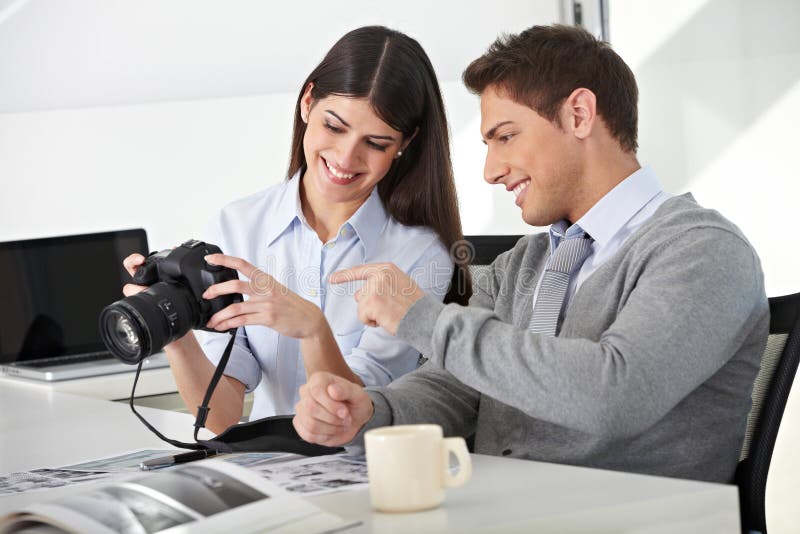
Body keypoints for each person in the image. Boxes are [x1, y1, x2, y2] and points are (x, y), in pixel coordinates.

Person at [291, 24, 769, 483]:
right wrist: (371, 412)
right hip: (500, 512)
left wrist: (422, 318)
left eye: (505, 136)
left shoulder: (703, 250)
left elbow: (617, 394)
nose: (491, 170)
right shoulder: (520, 264)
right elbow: (456, 387)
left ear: (579, 115)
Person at [123, 26, 469, 434]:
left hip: (368, 463)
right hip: (266, 464)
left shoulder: (419, 255)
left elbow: (348, 417)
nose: (346, 158)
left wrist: (313, 330)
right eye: (334, 127)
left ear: (403, 145)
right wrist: (173, 326)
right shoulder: (237, 226)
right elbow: (220, 416)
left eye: (375, 143)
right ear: (308, 102)